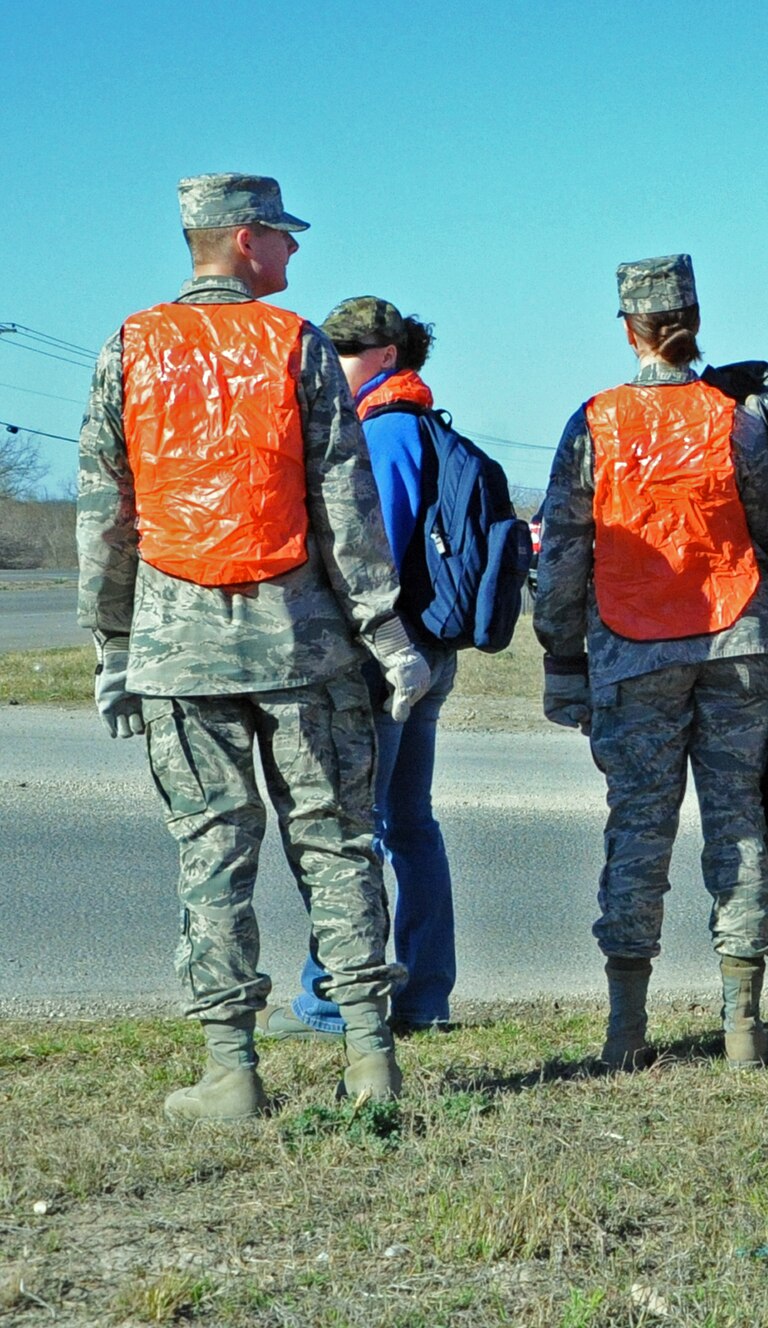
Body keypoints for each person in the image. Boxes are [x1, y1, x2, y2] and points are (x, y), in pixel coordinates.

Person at [76, 173, 427, 1120]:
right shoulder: (297, 345)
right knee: (338, 845)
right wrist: (386, 634)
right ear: (242, 239)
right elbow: (346, 506)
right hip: (301, 650)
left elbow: (106, 511)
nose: (292, 248)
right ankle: (370, 1061)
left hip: (177, 652)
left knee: (212, 857)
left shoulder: (129, 346)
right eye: (280, 233)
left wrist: (114, 644)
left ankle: (231, 1070)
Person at [535, 254, 768, 1072]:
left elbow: (563, 552)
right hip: (738, 639)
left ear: (628, 329)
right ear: (695, 322)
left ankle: (626, 1030)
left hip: (631, 646)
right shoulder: (737, 420)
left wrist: (560, 657)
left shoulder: (595, 422)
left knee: (638, 829)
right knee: (738, 822)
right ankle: (743, 1027)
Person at [266, 298, 461, 1042]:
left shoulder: (383, 429)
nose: (331, 365)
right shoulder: (422, 421)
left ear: (385, 356)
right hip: (425, 652)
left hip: (391, 659)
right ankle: (425, 997)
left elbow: (375, 553)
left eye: (345, 352)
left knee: (356, 829)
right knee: (409, 825)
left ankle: (330, 1002)